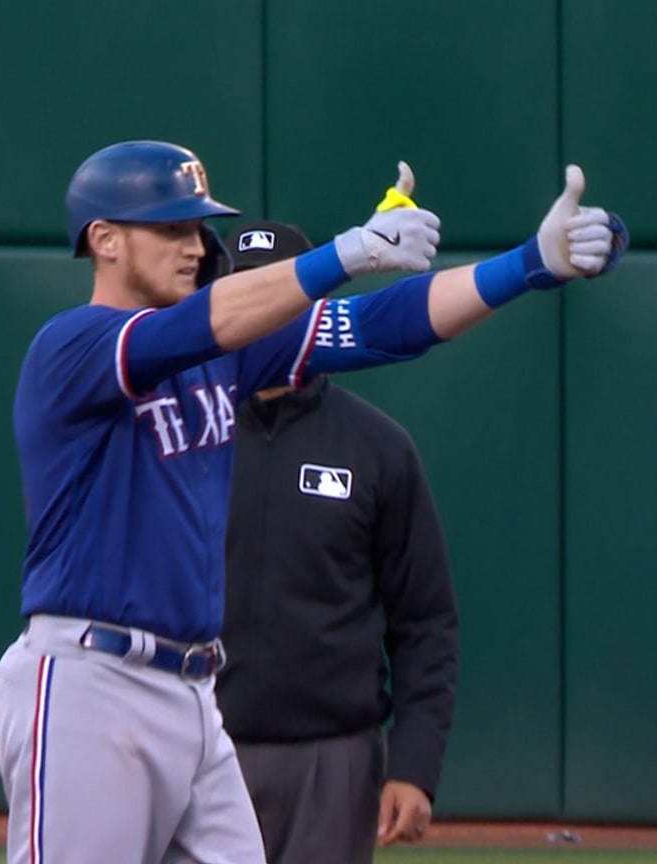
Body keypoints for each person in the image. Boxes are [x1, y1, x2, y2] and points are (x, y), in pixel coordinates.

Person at [0, 138, 627, 864]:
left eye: (197, 227)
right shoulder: (69, 347)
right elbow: (203, 322)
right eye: (169, 228)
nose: (194, 245)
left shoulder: (223, 355)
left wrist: (527, 267)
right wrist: (343, 255)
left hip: (195, 694)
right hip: (91, 685)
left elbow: (387, 324)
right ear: (103, 240)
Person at [215, 219, 456, 864]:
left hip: (332, 762)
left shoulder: (377, 447)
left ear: (313, 309)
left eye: (278, 292)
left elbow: (425, 621)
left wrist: (414, 762)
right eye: (247, 292)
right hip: (195, 744)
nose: (262, 312)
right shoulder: (182, 434)